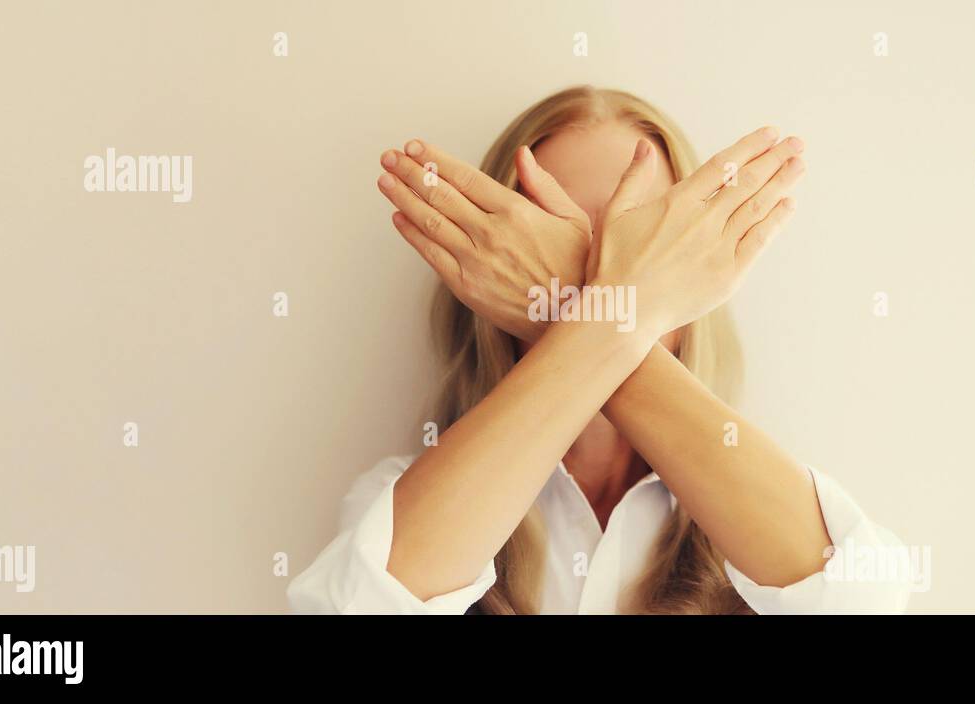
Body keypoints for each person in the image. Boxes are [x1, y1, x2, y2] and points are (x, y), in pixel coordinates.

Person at [289, 86, 910, 614]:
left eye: (638, 243)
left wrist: (568, 310)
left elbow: (863, 600)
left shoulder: (755, 492)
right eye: (559, 244)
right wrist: (618, 314)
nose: (602, 274)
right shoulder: (400, 495)